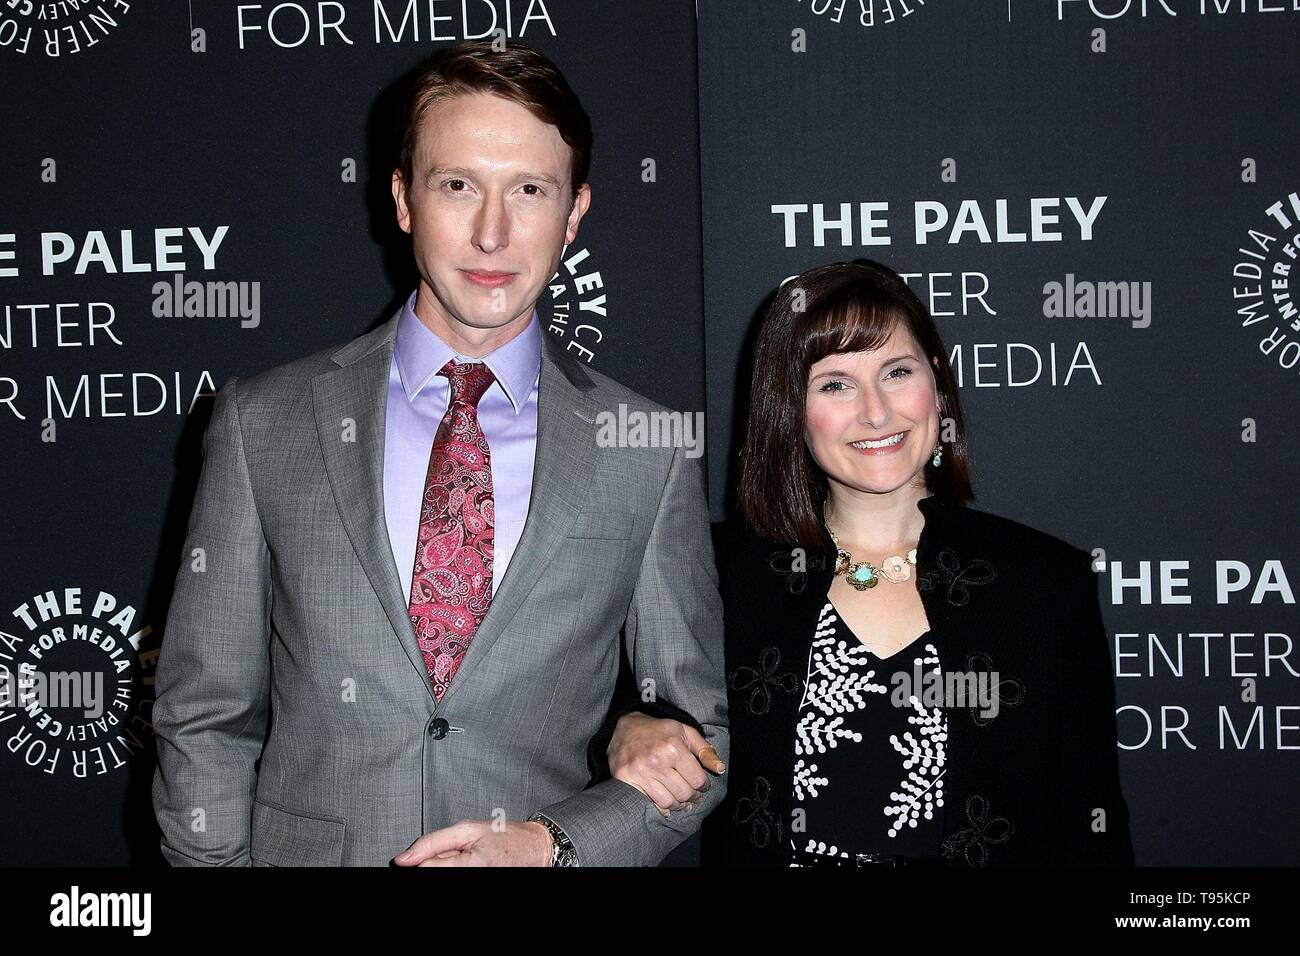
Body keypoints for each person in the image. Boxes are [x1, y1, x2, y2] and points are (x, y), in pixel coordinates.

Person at [151, 40, 728, 868]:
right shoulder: (263, 422)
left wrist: (552, 847)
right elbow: (204, 712)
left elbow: (695, 744)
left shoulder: (648, 451)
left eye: (528, 190)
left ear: (574, 213)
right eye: (458, 184)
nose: (492, 232)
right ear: (403, 200)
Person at [598, 259, 1134, 866]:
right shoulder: (718, 572)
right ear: (790, 412)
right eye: (835, 384)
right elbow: (602, 709)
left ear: (935, 381)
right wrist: (627, 726)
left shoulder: (1044, 582)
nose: (876, 412)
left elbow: (1094, 829)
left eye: (897, 372)